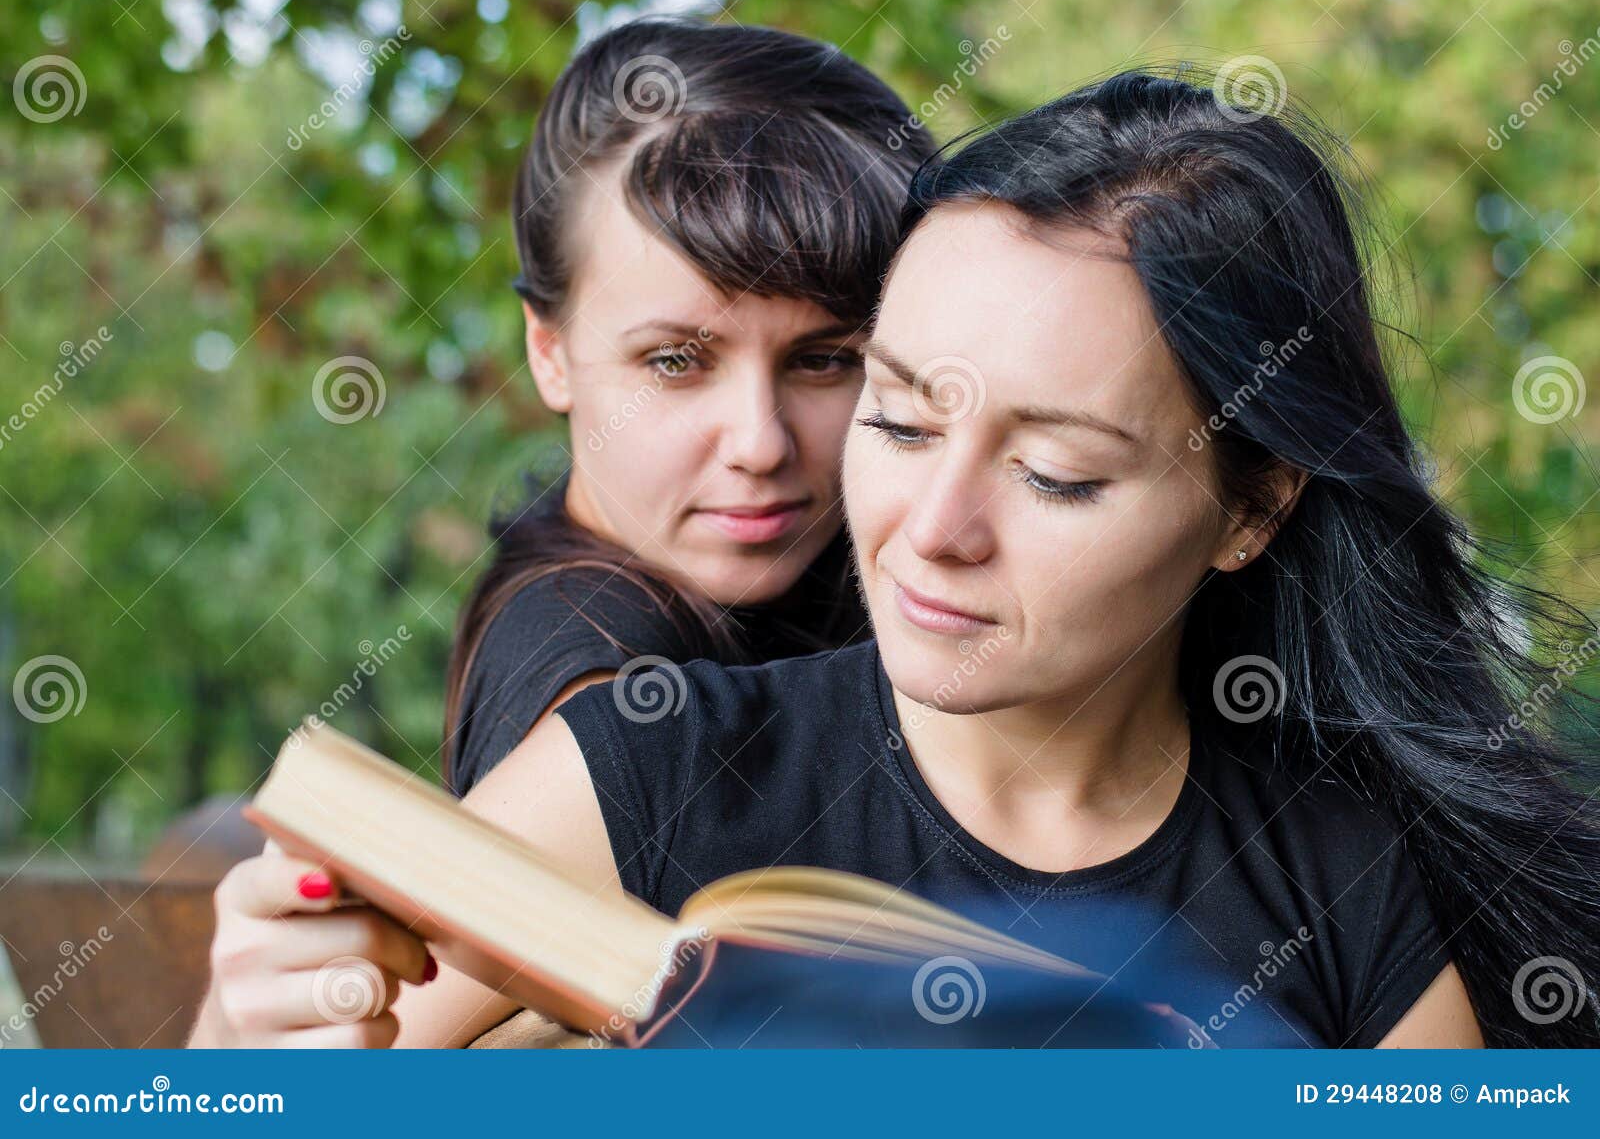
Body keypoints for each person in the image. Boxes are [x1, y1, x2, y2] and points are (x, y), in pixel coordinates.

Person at [193, 70, 1599, 1049]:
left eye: (1056, 473)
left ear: (1251, 507)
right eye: (898, 416)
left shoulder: (1336, 860)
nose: (931, 527)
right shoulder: (652, 768)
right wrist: (255, 1029)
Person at [443, 16, 936, 796]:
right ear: (549, 352)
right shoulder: (595, 702)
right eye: (675, 361)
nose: (759, 444)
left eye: (822, 361)